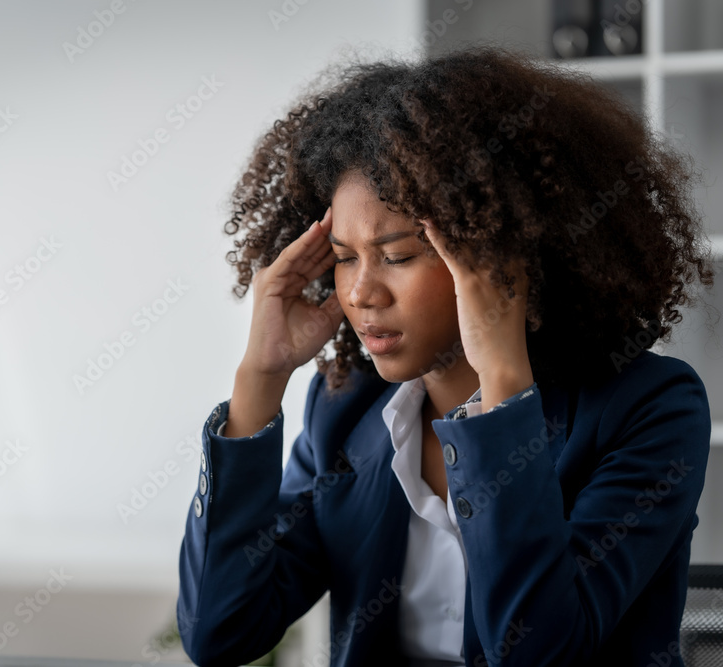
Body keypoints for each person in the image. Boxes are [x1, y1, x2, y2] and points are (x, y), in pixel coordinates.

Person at [176, 43, 718, 667]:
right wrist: (260, 380)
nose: (359, 292)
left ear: (500, 257)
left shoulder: (650, 408)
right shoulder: (345, 409)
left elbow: (538, 652)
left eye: (399, 255)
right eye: (346, 257)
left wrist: (502, 385)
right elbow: (220, 631)